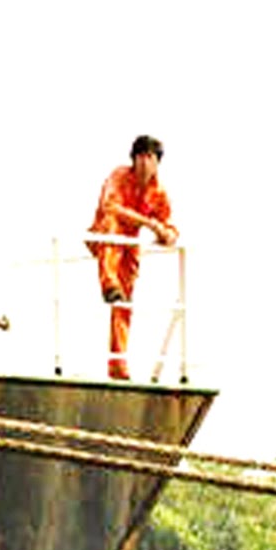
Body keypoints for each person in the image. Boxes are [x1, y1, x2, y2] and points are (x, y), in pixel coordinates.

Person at [88, 134, 177, 380]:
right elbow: (110, 207)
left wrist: (166, 233)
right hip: (105, 235)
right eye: (141, 156)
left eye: (150, 157)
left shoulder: (159, 193)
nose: (145, 162)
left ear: (158, 162)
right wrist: (150, 223)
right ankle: (108, 284)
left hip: (129, 248)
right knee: (111, 228)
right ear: (133, 159)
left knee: (124, 304)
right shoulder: (119, 176)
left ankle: (118, 364)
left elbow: (170, 227)